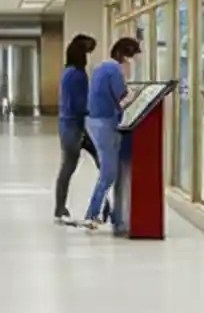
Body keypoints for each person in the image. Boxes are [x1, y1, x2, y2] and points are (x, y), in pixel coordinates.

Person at [84, 37, 142, 233]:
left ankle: (117, 215)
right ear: (126, 57)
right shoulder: (114, 70)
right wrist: (133, 95)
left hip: (94, 121)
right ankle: (92, 214)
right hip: (105, 123)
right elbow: (122, 97)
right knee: (108, 173)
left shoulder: (102, 67)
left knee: (111, 170)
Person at [54, 34, 96, 222]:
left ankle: (61, 207)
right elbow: (79, 105)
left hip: (70, 126)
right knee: (69, 166)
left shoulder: (68, 72)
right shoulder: (78, 75)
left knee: (70, 167)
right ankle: (60, 207)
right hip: (74, 128)